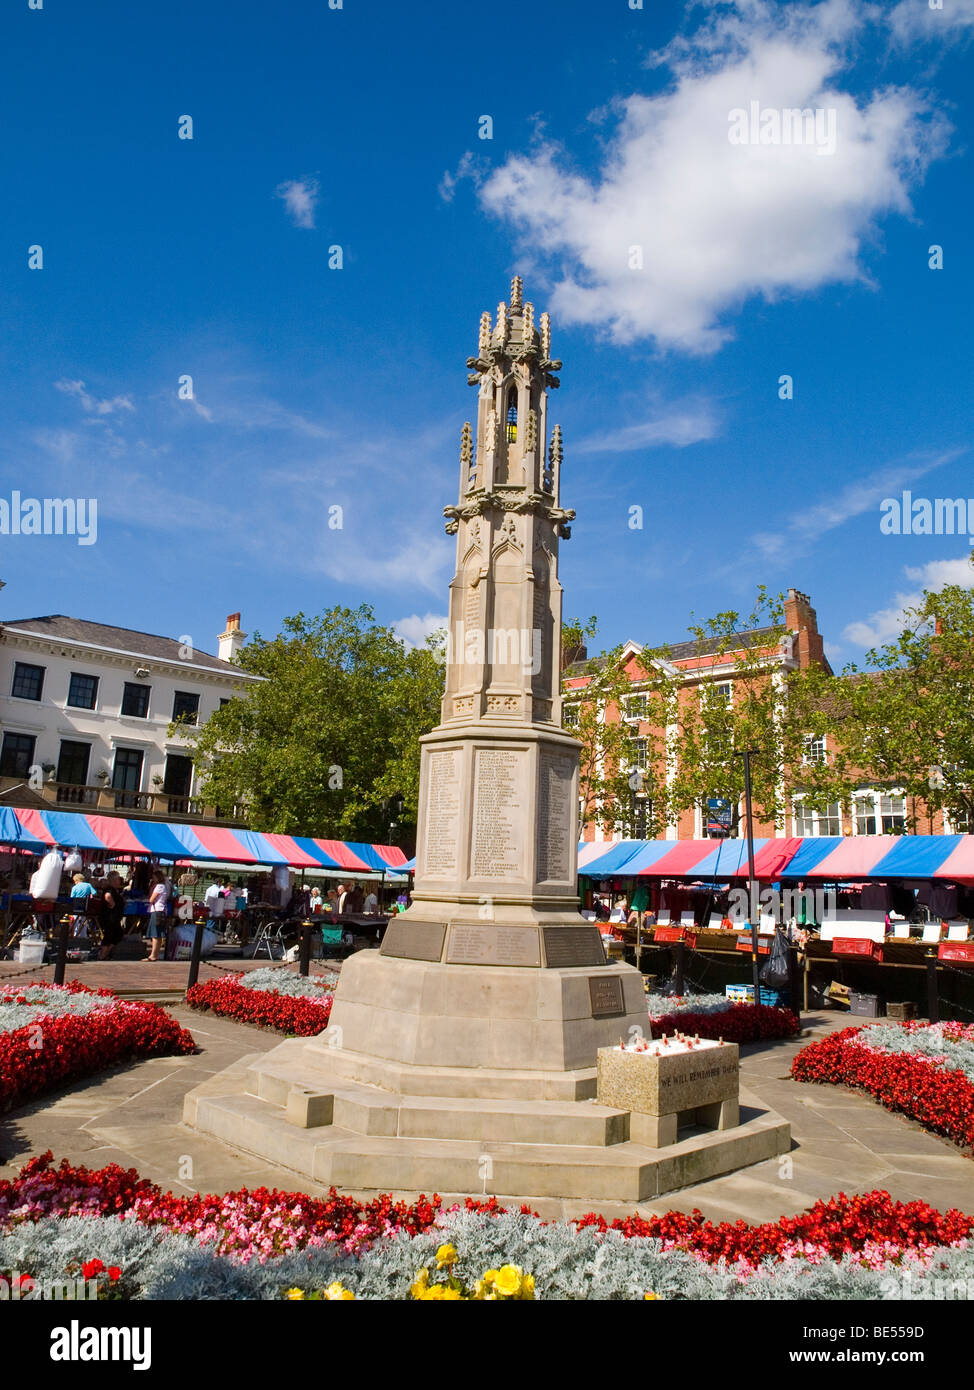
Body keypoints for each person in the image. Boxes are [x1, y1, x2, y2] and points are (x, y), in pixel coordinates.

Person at [99, 872, 126, 960]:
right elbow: (107, 896)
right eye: (118, 879)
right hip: (110, 916)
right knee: (109, 935)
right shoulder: (110, 889)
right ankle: (103, 955)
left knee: (118, 934)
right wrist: (112, 904)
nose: (119, 881)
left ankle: (106, 952)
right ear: (114, 880)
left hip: (115, 917)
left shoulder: (115, 890)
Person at [145, 872, 167, 961]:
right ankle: (155, 954)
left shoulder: (159, 886)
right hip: (160, 911)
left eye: (154, 878)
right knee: (157, 934)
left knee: (155, 934)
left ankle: (153, 955)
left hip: (157, 911)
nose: (153, 879)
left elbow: (151, 899)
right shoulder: (162, 886)